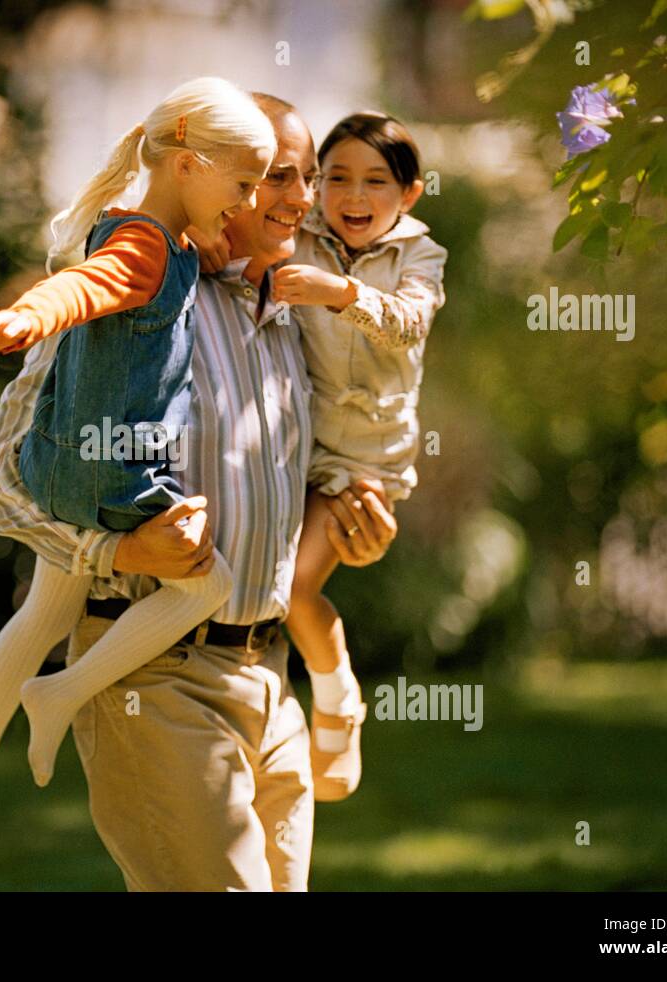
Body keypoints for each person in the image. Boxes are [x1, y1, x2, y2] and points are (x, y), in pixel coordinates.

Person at [0, 93, 398, 890]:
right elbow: (1, 480)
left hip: (269, 681)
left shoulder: (294, 318)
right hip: (153, 679)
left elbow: (280, 488)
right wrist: (116, 547)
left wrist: (343, 529)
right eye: (273, 177)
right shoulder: (139, 298)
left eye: (306, 179)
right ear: (214, 176)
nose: (301, 200)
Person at [0, 76, 276, 860]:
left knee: (48, 612)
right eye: (243, 181)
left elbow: (148, 261)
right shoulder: (144, 245)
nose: (251, 199)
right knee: (208, 583)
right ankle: (60, 692)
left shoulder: (164, 235)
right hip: (109, 475)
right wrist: (29, 313)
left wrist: (210, 231)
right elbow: (91, 285)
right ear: (186, 160)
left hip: (60, 462)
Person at [196, 111, 447, 800]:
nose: (352, 198)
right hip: (297, 445)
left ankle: (338, 702)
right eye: (334, 179)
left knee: (295, 587)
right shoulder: (301, 233)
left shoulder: (419, 258)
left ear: (410, 195)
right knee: (268, 585)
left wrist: (342, 293)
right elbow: (242, 244)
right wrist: (210, 241)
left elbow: (408, 323)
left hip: (362, 461)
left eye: (375, 182)